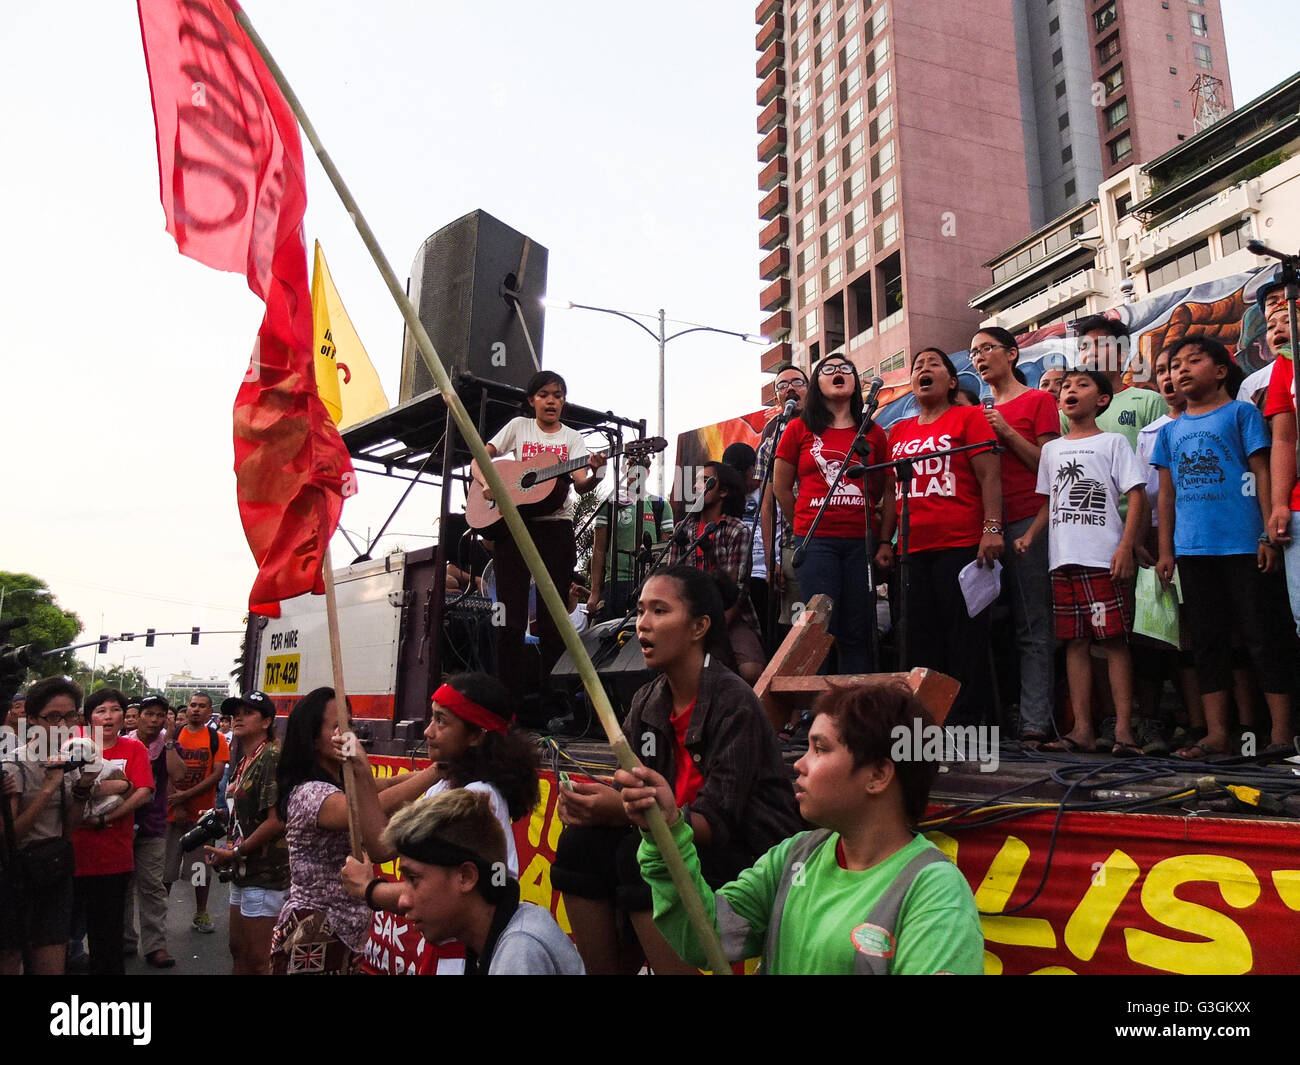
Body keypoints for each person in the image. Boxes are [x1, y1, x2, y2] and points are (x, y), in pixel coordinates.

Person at [618, 678, 984, 975]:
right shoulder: (795, 855)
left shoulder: (935, 893)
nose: (799, 764)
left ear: (878, 774)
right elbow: (706, 937)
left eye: (820, 749)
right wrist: (665, 832)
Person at [552, 566, 801, 974]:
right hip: (674, 839)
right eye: (640, 610)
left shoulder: (733, 703)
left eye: (659, 611)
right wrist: (597, 805)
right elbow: (632, 793)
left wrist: (625, 810)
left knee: (643, 857)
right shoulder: (646, 702)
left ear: (699, 626)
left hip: (748, 852)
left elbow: (718, 822)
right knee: (581, 845)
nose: (642, 625)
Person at [1154, 337, 1295, 759]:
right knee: (1208, 642)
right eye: (1175, 364)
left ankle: (1281, 735)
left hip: (1244, 546)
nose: (1181, 370)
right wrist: (1166, 551)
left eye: (1193, 361)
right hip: (1193, 552)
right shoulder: (1170, 431)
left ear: (1220, 370)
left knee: (1264, 636)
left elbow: (1262, 470)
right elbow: (1166, 496)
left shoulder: (1241, 413)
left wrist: (1268, 533)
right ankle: (1216, 734)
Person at [340, 673, 539, 941]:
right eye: (431, 717)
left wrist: (368, 889)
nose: (427, 731)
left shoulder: (477, 798)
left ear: (476, 736)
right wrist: (361, 771)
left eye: (441, 721)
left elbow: (464, 890)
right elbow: (382, 847)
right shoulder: (444, 788)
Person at [1014, 371, 1147, 755]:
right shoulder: (1053, 450)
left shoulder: (1114, 442)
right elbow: (1048, 500)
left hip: (1102, 557)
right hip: (1063, 560)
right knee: (1075, 642)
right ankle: (1083, 729)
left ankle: (1123, 731)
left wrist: (1125, 547)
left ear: (1102, 400)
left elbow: (1137, 496)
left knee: (1113, 641)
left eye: (1082, 385)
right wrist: (1029, 536)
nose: (1070, 390)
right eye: (1066, 387)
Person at [876, 347, 1003, 726]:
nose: (923, 369)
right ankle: (925, 722)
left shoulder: (969, 417)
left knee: (963, 637)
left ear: (951, 381)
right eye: (918, 366)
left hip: (960, 544)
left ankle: (968, 722)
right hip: (911, 550)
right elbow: (888, 494)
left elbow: (989, 476)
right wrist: (885, 541)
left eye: (934, 364)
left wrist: (992, 528)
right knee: (917, 638)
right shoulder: (897, 431)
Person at [473, 370, 606, 723]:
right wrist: (488, 482)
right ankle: (507, 708)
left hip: (555, 529)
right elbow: (478, 457)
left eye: (558, 395)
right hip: (514, 526)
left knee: (552, 623)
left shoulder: (573, 439)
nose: (552, 401)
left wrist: (597, 472)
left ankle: (551, 707)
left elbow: (581, 487)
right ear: (532, 400)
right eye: (544, 394)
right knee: (510, 622)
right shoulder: (518, 427)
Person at [971, 328, 1060, 746]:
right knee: (991, 626)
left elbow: (1050, 466)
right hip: (981, 527)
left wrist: (1006, 431)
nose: (979, 358)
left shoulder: (1039, 400)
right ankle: (997, 714)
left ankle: (1035, 722)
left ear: (1011, 353)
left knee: (1032, 622)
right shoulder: (974, 412)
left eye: (987, 349)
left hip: (1028, 521)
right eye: (973, 353)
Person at [773, 354, 888, 676]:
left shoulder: (874, 433)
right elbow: (781, 487)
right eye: (828, 370)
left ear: (856, 383)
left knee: (857, 627)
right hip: (815, 542)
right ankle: (817, 708)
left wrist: (880, 539)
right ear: (816, 384)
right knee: (819, 627)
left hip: (859, 542)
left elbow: (881, 489)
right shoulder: (798, 429)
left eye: (845, 369)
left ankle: (853, 704)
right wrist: (804, 524)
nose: (838, 373)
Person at [385, 789, 584, 974]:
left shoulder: (520, 951)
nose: (403, 901)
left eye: (413, 879)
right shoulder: (495, 937)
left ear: (466, 877)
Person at [271, 687, 382, 975]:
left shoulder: (338, 785)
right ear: (312, 739)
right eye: (339, 728)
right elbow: (367, 808)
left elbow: (380, 792)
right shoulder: (310, 793)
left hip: (345, 937)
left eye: (351, 726)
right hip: (316, 931)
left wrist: (427, 775)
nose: (349, 737)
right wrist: (365, 769)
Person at [0, 677, 89, 975]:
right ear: (33, 719)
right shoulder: (15, 765)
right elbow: (10, 835)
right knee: (11, 959)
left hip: (54, 873)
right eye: (53, 717)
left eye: (70, 716)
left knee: (52, 962)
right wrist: (49, 789)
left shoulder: (67, 763)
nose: (63, 725)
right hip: (16, 877)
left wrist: (82, 789)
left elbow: (68, 829)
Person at [71, 688, 154, 975]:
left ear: (124, 716)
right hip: (70, 855)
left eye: (115, 709)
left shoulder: (134, 749)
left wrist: (104, 820)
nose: (108, 716)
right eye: (101, 710)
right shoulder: (72, 746)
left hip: (113, 857)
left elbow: (142, 791)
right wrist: (120, 785)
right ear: (88, 718)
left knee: (107, 939)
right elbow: (65, 791)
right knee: (63, 939)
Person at [204, 691, 289, 975]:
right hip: (240, 870)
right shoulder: (244, 758)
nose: (238, 717)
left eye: (248, 712)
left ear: (266, 721)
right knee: (238, 949)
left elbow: (276, 821)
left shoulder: (272, 756)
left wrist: (235, 852)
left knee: (259, 959)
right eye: (235, 712)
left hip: (264, 874)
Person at [666, 461, 766, 683]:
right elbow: (672, 582)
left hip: (730, 617)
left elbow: (738, 591)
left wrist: (713, 630)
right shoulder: (682, 529)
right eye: (696, 482)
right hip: (690, 619)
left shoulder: (737, 530)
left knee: (751, 671)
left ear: (723, 491)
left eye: (705, 481)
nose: (697, 487)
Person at [163, 691, 229, 934]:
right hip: (172, 815)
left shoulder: (216, 738)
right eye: (192, 705)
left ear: (210, 712)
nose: (196, 709)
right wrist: (177, 804)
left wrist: (186, 798)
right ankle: (160, 916)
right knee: (166, 871)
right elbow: (166, 772)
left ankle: (200, 913)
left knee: (200, 870)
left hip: (202, 818)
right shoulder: (174, 737)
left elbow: (216, 774)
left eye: (202, 706)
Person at [759, 362, 811, 641]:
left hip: (831, 538)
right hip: (791, 547)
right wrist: (771, 560)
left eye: (797, 382)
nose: (789, 388)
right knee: (798, 634)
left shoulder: (826, 431)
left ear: (809, 389)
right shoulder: (769, 443)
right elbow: (766, 506)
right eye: (782, 385)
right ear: (776, 397)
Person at [587, 454, 673, 620]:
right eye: (630, 464)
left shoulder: (660, 505)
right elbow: (598, 549)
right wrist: (595, 592)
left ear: (647, 472)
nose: (634, 470)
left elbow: (665, 552)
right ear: (624, 469)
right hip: (615, 582)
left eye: (640, 466)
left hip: (649, 583)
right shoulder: (609, 503)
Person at [123, 695, 175, 968]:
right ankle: (125, 940)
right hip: (120, 824)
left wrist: (170, 743)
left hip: (153, 826)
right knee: (121, 887)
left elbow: (178, 774)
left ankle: (156, 947)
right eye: (149, 714)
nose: (154, 720)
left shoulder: (166, 745)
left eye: (160, 715)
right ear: (138, 715)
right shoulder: (124, 743)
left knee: (152, 888)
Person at [1264, 273, 1300, 630]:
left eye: (1287, 318)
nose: (1277, 326)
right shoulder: (1283, 367)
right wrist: (1278, 505)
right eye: (1271, 323)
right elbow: (1283, 440)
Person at [722, 441, 770, 646]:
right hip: (738, 576)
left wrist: (772, 564)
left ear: (753, 469)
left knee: (769, 635)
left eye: (744, 474)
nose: (740, 481)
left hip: (766, 574)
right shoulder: (727, 498)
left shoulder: (766, 492)